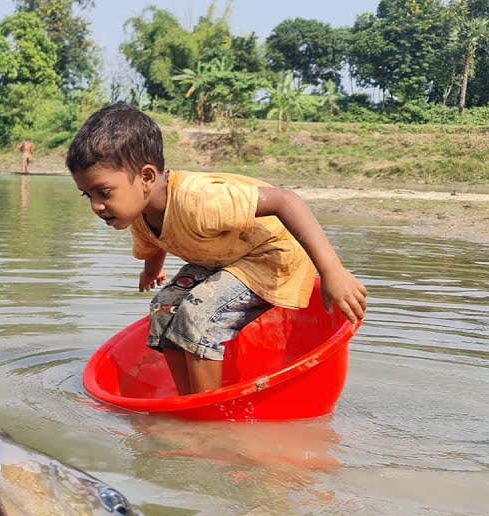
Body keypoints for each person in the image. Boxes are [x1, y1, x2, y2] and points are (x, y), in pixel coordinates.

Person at [67, 103, 367, 396]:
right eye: (88, 195)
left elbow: (286, 201)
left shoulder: (199, 200)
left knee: (198, 313)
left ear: (146, 178)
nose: (96, 205)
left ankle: (209, 413)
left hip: (270, 256)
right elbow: (157, 242)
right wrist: (152, 272)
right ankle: (189, 401)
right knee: (164, 308)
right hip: (224, 260)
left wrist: (332, 271)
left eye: (104, 192)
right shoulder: (140, 214)